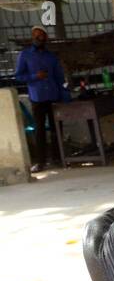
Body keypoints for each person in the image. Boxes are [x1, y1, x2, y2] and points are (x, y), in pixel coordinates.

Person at [14, 26, 67, 172]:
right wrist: (35, 77)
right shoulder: (25, 55)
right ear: (32, 37)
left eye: (42, 36)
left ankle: (58, 158)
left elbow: (59, 76)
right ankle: (41, 161)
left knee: (57, 128)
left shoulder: (51, 56)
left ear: (45, 38)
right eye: (37, 36)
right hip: (37, 97)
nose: (39, 39)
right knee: (40, 130)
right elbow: (18, 76)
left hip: (53, 95)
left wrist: (63, 93)